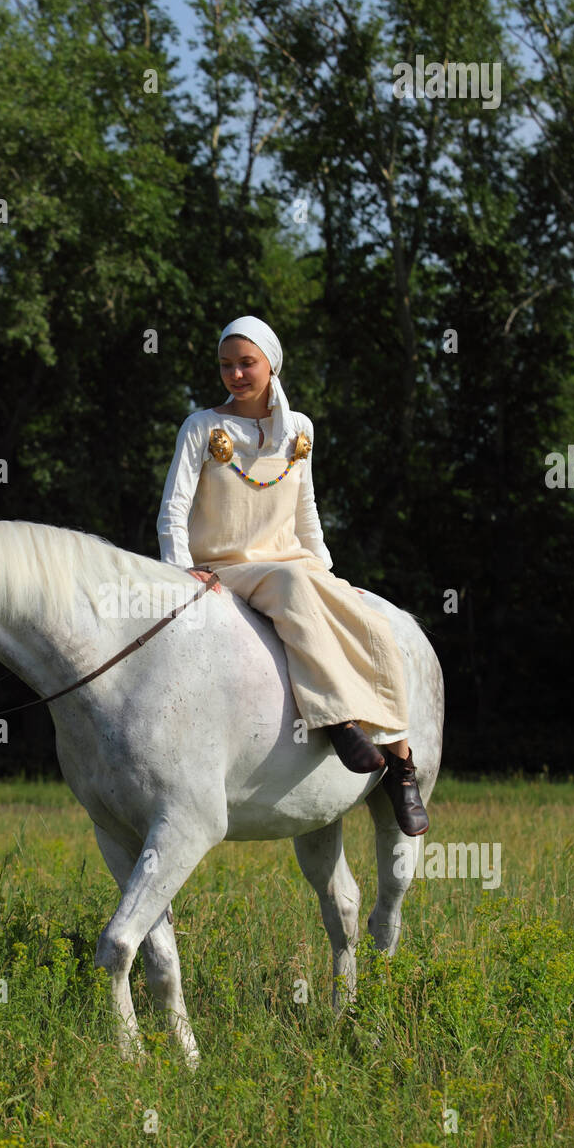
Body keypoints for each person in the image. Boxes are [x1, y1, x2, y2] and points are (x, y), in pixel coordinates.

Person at [156, 315, 429, 835]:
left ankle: (401, 766)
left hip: (292, 564)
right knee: (297, 587)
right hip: (225, 569)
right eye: (226, 365)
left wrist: (330, 576)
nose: (235, 374)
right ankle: (341, 723)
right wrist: (179, 576)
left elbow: (306, 511)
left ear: (271, 364)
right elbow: (173, 509)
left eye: (246, 363)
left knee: (372, 621)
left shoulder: (300, 429)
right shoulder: (201, 427)